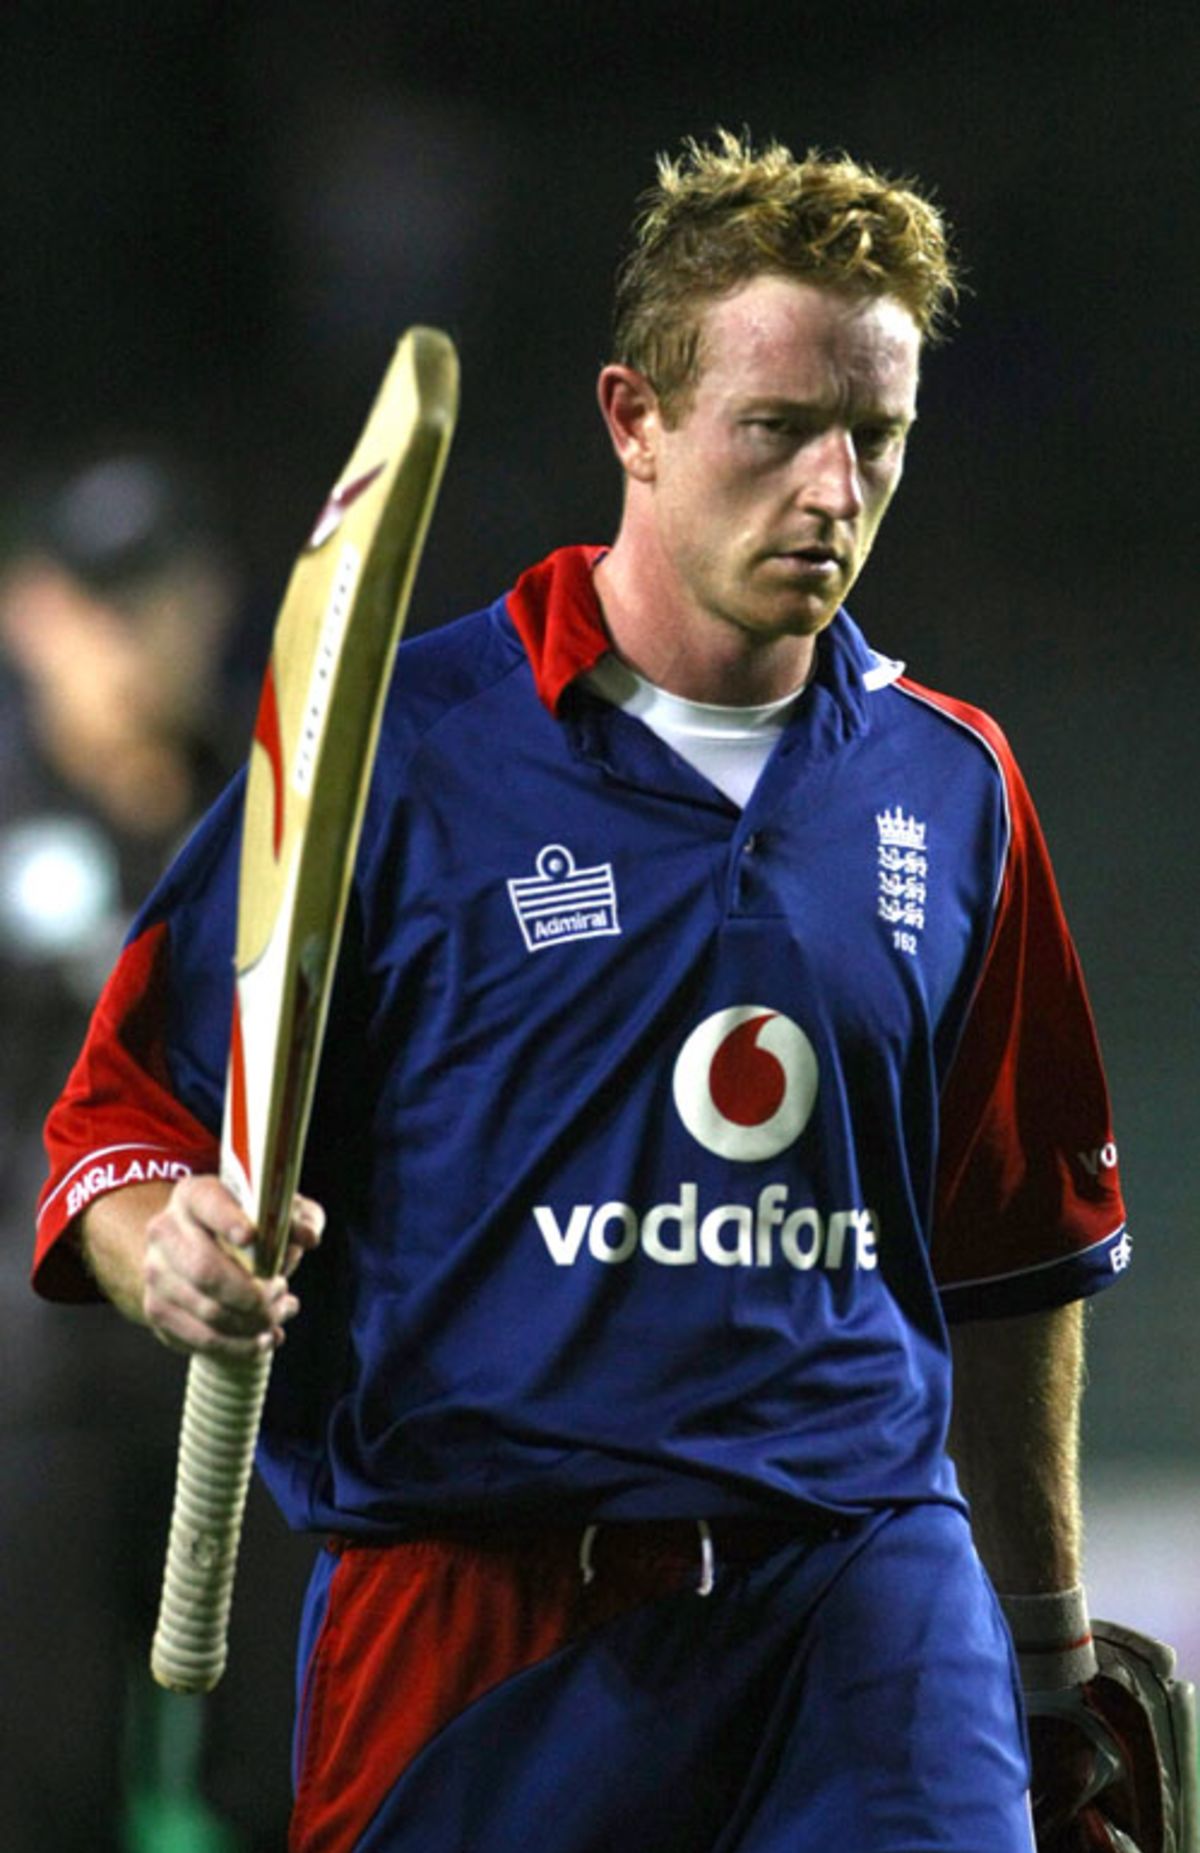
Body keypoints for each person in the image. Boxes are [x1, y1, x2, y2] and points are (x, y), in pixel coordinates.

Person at [32, 133, 1138, 1851]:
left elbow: (1013, 1255)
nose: (836, 492)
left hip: (862, 1590)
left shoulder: (956, 783)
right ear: (634, 419)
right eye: (778, 432)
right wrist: (162, 1237)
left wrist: (1052, 1659)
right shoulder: (394, 748)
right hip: (483, 1609)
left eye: (879, 438)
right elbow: (121, 1124)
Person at [2, 453, 309, 1851]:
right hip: (34, 1398)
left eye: (166, 594)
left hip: (244, 1394)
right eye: (103, 600)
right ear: (31, 613)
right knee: (47, 1786)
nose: (141, 631)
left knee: (283, 1783)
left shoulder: (267, 832)